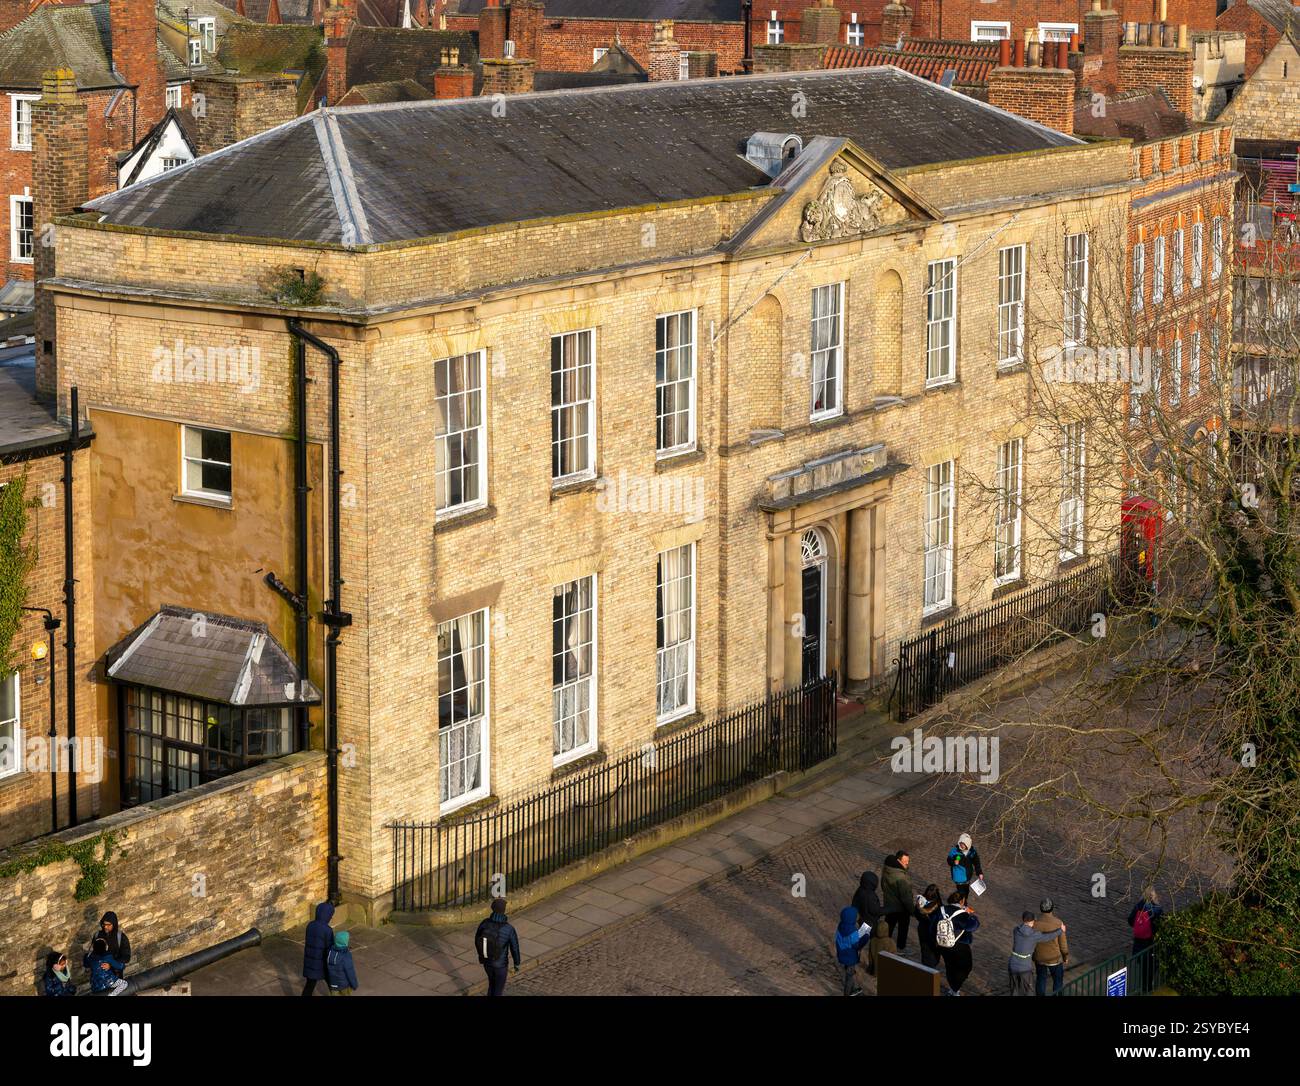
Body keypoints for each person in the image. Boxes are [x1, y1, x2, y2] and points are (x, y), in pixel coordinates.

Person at [1011, 910, 1067, 996]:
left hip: (1013, 965)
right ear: (1033, 921)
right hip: (1025, 967)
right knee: (1028, 991)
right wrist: (1060, 930)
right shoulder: (1034, 935)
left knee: (1015, 990)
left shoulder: (1016, 930)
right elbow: (1047, 937)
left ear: (1023, 920)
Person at [935, 891, 980, 995]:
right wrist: (972, 915)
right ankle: (955, 989)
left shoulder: (941, 910)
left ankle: (953, 988)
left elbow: (933, 925)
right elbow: (973, 926)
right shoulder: (963, 914)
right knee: (966, 966)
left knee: (950, 966)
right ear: (961, 901)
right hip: (960, 946)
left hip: (943, 944)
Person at [475, 897, 521, 997]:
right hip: (501, 965)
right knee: (498, 990)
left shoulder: (484, 923)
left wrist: (481, 955)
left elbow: (477, 940)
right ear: (503, 911)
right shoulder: (509, 929)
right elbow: (515, 948)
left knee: (491, 985)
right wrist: (517, 964)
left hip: (487, 962)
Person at [1128, 888, 1164, 993]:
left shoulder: (1139, 906)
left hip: (1139, 942)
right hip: (1151, 941)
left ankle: (1145, 987)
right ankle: (1149, 986)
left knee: (1145, 966)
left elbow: (1130, 921)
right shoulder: (1157, 908)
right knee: (1152, 964)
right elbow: (1161, 924)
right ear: (1154, 896)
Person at [1033, 897, 1070, 996]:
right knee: (1057, 981)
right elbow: (1063, 944)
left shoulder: (1035, 923)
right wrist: (1065, 956)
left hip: (1039, 958)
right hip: (1054, 959)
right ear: (1052, 908)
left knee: (1040, 979)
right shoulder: (1058, 923)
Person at [880, 849, 913, 952]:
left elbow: (883, 885)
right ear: (898, 861)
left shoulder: (887, 869)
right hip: (901, 907)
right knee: (903, 928)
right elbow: (906, 897)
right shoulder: (900, 877)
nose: (907, 864)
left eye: (908, 861)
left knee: (889, 925)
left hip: (889, 904)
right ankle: (901, 948)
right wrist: (912, 910)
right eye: (905, 862)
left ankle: (883, 945)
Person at [833, 905, 870, 996]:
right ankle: (848, 993)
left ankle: (852, 989)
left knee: (849, 973)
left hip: (842, 953)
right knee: (849, 976)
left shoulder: (841, 925)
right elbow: (856, 945)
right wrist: (865, 936)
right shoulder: (852, 931)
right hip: (850, 956)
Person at [301, 901, 335, 996]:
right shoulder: (327, 930)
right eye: (331, 915)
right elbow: (329, 948)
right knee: (333, 983)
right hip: (322, 962)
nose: (331, 917)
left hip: (310, 962)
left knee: (309, 986)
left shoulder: (310, 925)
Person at [85, 911, 130, 979]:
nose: (105, 927)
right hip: (99, 976)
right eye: (104, 924)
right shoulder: (97, 935)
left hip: (116, 975)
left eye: (108, 925)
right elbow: (91, 953)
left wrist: (111, 965)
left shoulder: (121, 937)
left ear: (114, 924)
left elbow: (126, 956)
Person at [913, 884, 945, 971]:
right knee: (934, 950)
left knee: (924, 948)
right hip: (933, 931)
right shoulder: (937, 906)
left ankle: (925, 964)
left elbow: (916, 914)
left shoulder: (920, 902)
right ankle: (931, 966)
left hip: (922, 929)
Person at [947, 833, 984, 902]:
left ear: (967, 844)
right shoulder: (954, 851)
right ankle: (960, 904)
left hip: (967, 876)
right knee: (961, 892)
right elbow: (949, 860)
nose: (961, 845)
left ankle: (964, 903)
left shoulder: (972, 852)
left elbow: (977, 863)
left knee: (966, 891)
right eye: (960, 843)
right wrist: (953, 862)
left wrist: (979, 873)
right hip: (958, 877)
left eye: (963, 844)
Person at [326, 931, 360, 996]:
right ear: (345, 942)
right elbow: (350, 972)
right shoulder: (346, 956)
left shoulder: (330, 952)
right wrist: (354, 984)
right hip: (344, 986)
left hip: (333, 984)